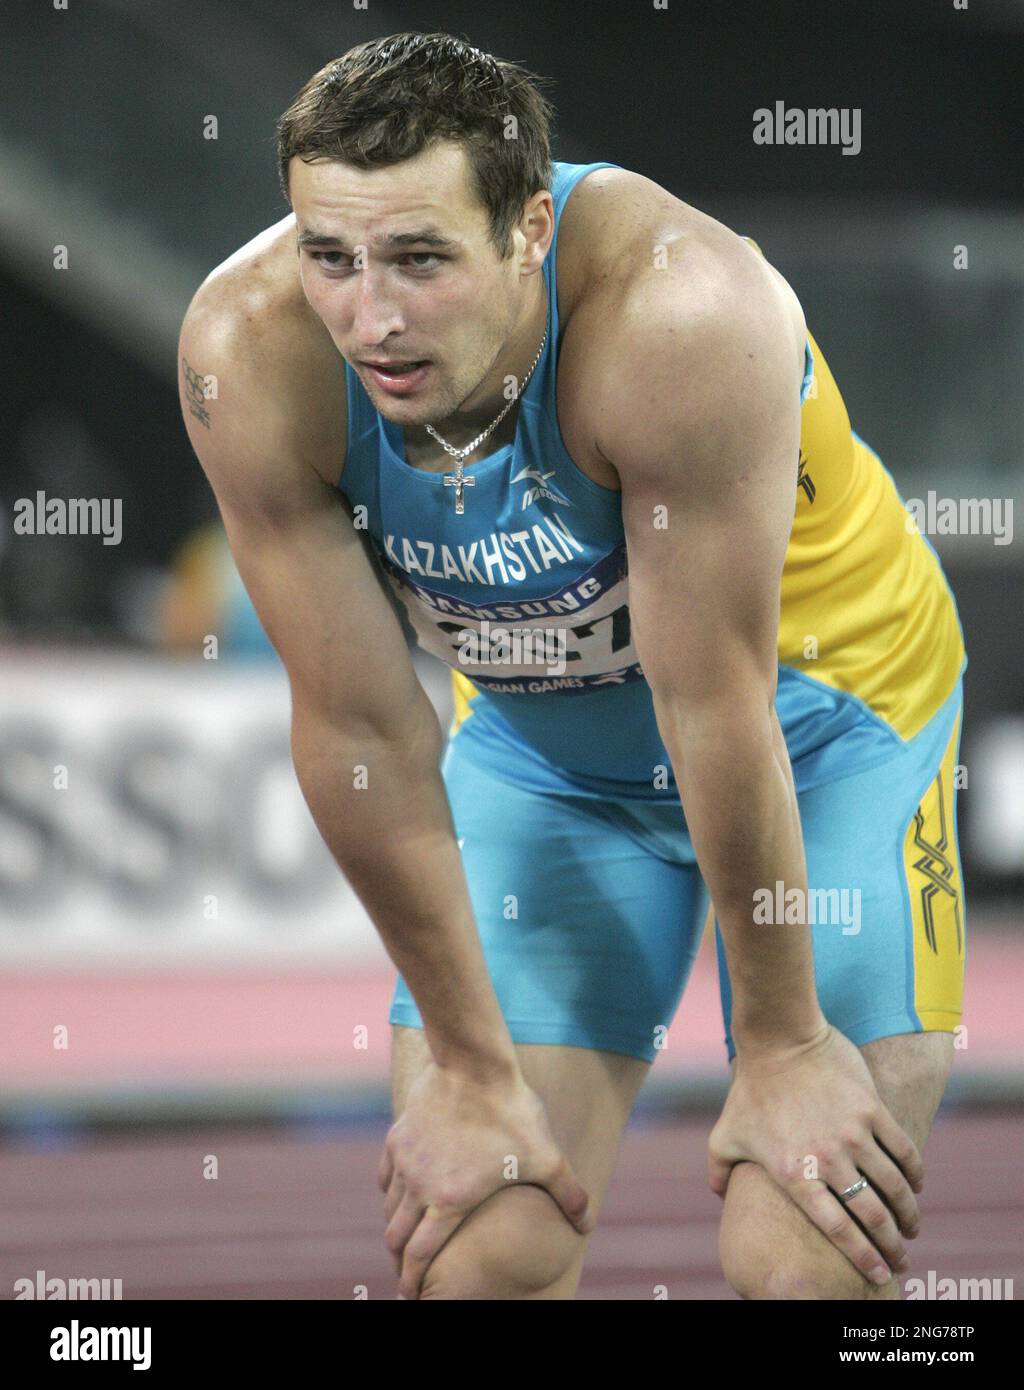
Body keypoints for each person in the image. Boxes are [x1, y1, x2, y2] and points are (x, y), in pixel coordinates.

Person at [177, 32, 967, 1301]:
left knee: (799, 1254)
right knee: (484, 1246)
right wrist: (472, 1071)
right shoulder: (249, 354)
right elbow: (362, 734)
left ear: (529, 230)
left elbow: (714, 698)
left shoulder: (682, 315)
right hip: (548, 755)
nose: (368, 317)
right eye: (330, 256)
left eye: (421, 259)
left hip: (826, 727)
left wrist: (779, 1043)